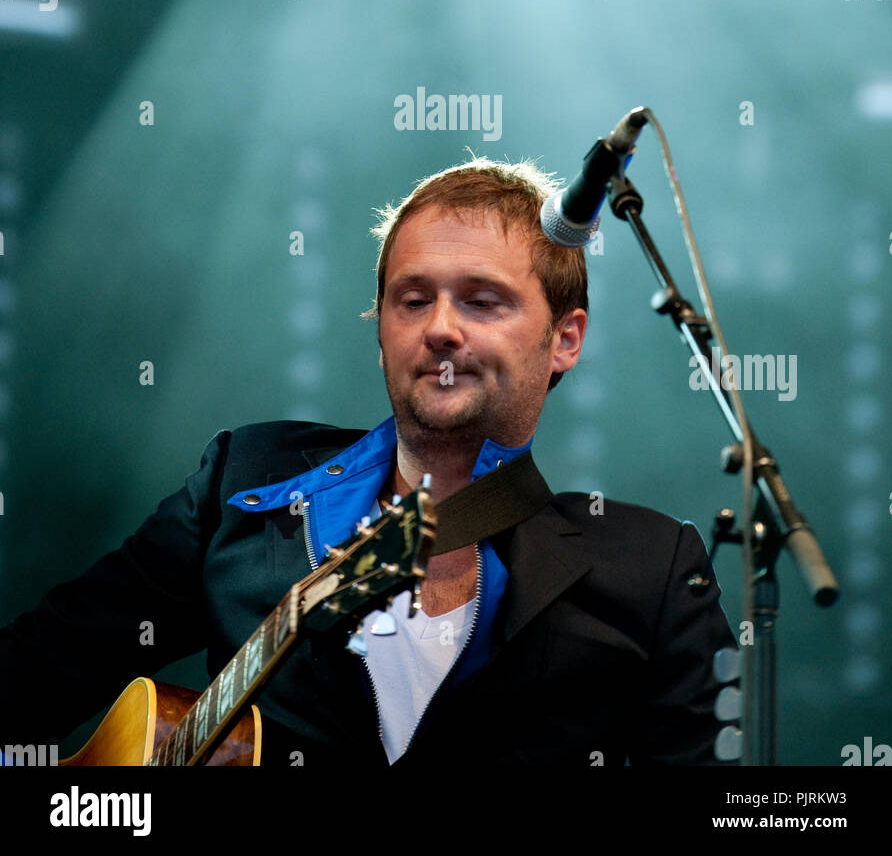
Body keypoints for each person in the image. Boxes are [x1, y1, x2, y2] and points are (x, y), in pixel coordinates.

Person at [0, 158, 738, 768]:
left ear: (565, 339)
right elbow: (30, 679)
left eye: (483, 301)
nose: (441, 329)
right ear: (379, 329)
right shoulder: (246, 480)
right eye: (412, 300)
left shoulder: (651, 570)